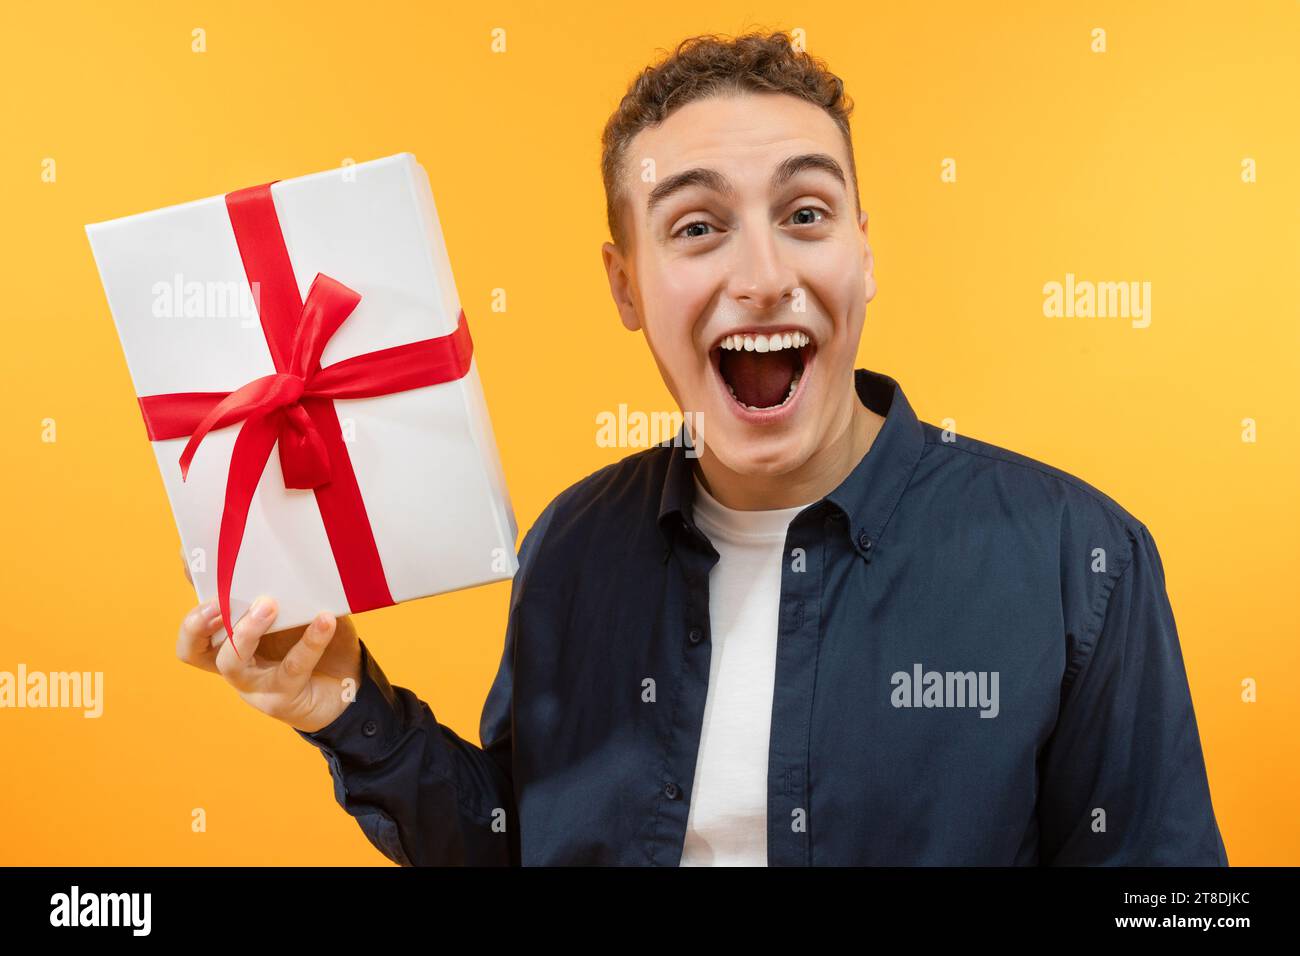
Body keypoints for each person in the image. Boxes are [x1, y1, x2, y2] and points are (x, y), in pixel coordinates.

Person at [175, 31, 1229, 867]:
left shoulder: (1074, 559)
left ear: (863, 253)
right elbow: (513, 846)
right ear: (625, 285)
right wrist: (346, 708)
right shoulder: (571, 547)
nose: (764, 273)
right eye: (695, 227)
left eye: (806, 213)